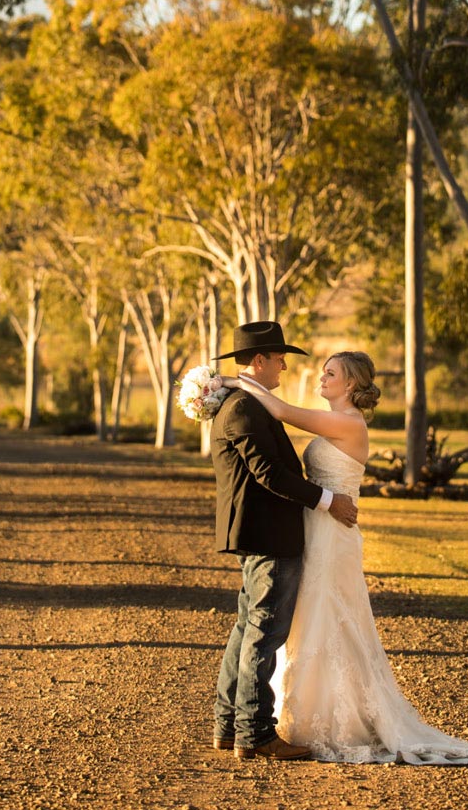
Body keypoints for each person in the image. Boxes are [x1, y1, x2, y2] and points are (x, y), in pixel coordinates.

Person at [228, 347, 468, 766]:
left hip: (333, 537)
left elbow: (283, 410)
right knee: (310, 618)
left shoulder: (348, 423)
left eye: (330, 373)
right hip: (316, 528)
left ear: (352, 384)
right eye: (323, 372)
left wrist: (232, 383)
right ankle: (300, 712)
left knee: (331, 617)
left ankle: (335, 719)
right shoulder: (336, 422)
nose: (322, 378)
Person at [209, 318, 354, 764]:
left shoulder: (244, 403)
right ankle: (254, 732)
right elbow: (268, 474)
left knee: (246, 628)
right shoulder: (243, 409)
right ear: (260, 360)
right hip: (268, 534)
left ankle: (228, 725)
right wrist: (329, 500)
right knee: (264, 633)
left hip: (259, 532)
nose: (283, 367)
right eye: (279, 358)